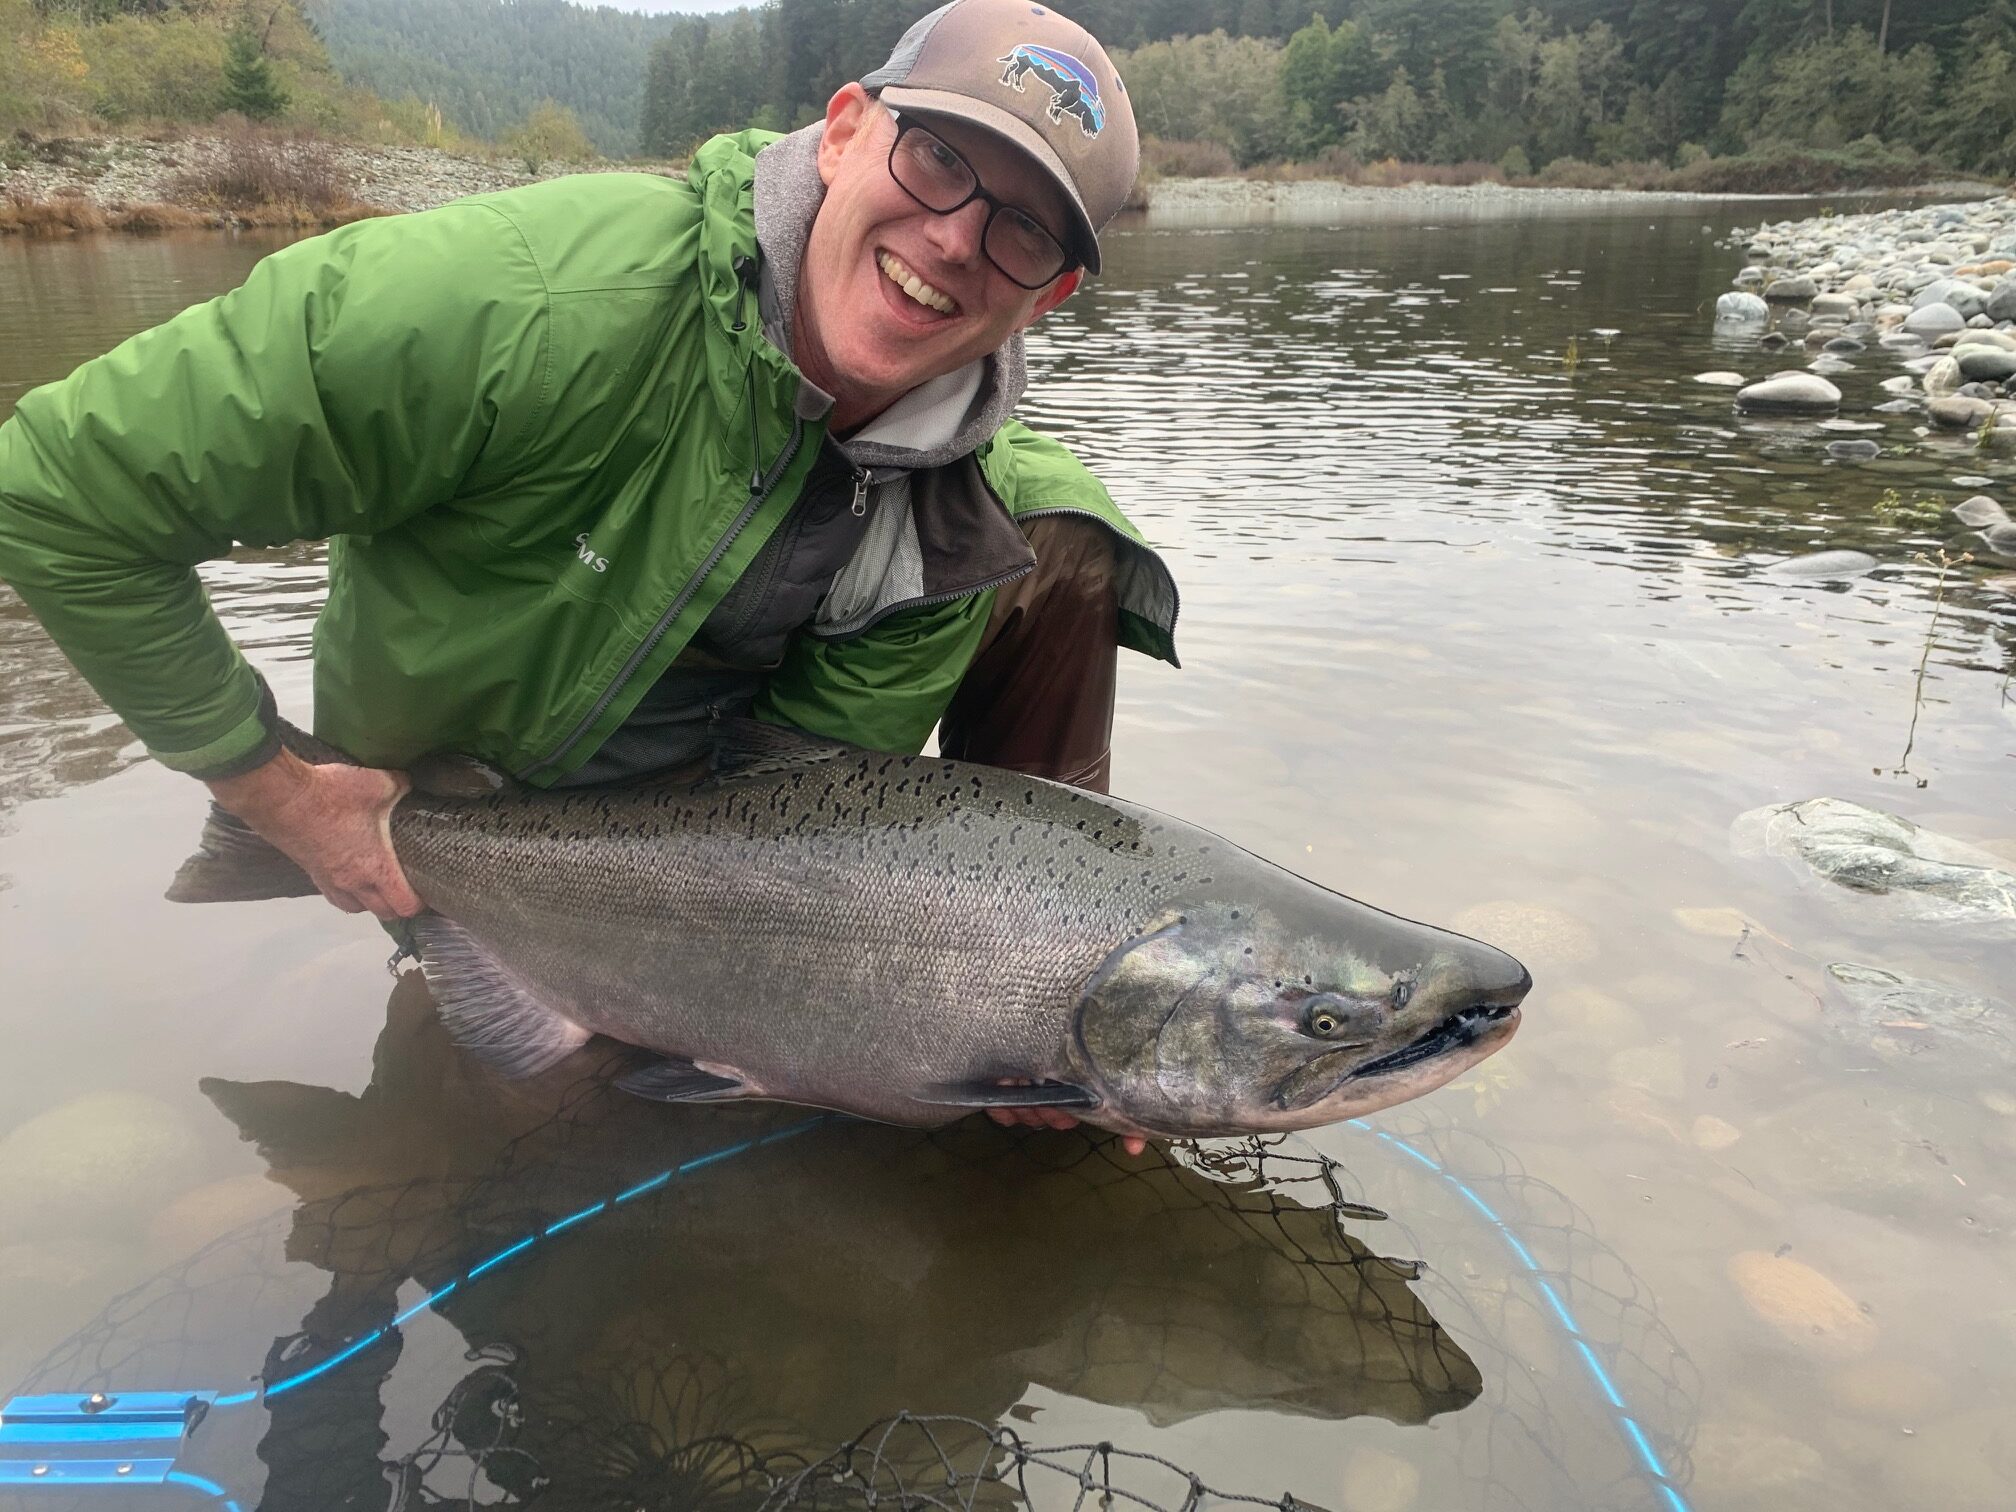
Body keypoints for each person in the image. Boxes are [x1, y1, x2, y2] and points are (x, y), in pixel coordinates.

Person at [0, 0, 1177, 1140]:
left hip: (660, 857)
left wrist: (988, 1021)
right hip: (422, 809)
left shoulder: (965, 535)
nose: (957, 239)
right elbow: (50, 493)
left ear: (1053, 293)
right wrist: (281, 800)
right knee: (507, 1157)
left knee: (1066, 538)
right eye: (937, 161)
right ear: (845, 129)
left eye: (1024, 229)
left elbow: (798, 809)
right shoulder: (512, 305)